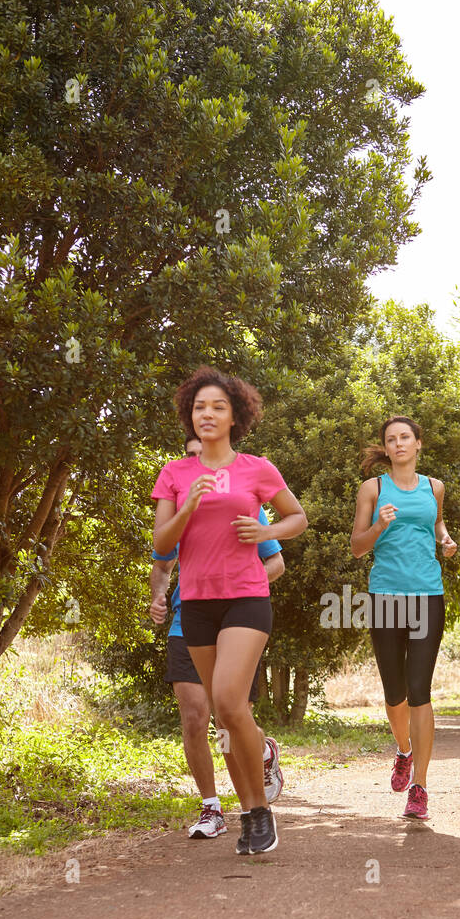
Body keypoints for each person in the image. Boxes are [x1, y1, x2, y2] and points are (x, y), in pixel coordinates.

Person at [152, 366, 307, 855]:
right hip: (196, 604)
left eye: (218, 406)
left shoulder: (256, 469)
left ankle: (259, 812)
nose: (208, 414)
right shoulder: (176, 474)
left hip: (245, 597)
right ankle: (253, 797)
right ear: (189, 415)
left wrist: (267, 533)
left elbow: (297, 517)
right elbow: (161, 542)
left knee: (225, 700)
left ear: (235, 415)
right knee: (226, 715)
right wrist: (187, 508)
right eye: (200, 406)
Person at [350, 416, 457, 821]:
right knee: (394, 692)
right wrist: (380, 523)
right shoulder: (372, 489)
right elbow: (358, 547)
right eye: (391, 440)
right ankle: (404, 751)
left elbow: (437, 524)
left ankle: (421, 788)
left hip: (428, 594)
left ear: (417, 444)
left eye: (405, 438)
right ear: (386, 448)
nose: (398, 444)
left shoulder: (435, 488)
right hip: (386, 597)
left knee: (419, 689)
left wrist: (445, 540)